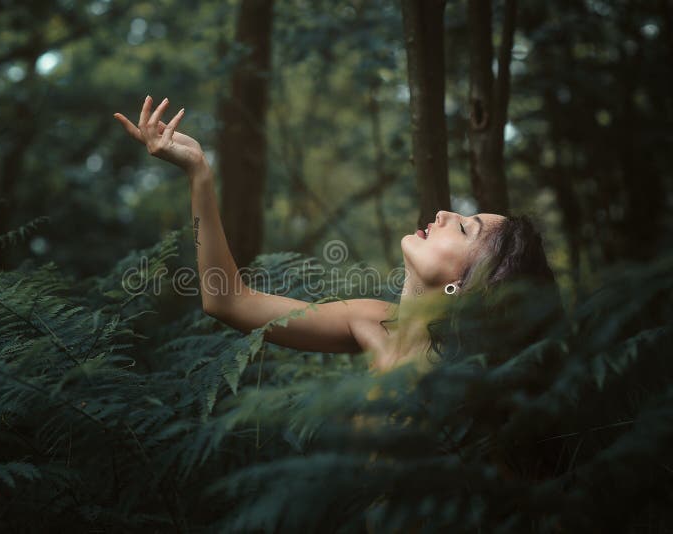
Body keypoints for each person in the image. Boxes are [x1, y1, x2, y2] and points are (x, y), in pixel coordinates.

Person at [114, 96, 563, 374]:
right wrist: (199, 175)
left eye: (466, 228)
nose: (445, 212)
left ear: (470, 287)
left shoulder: (472, 395)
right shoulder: (374, 321)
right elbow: (226, 301)